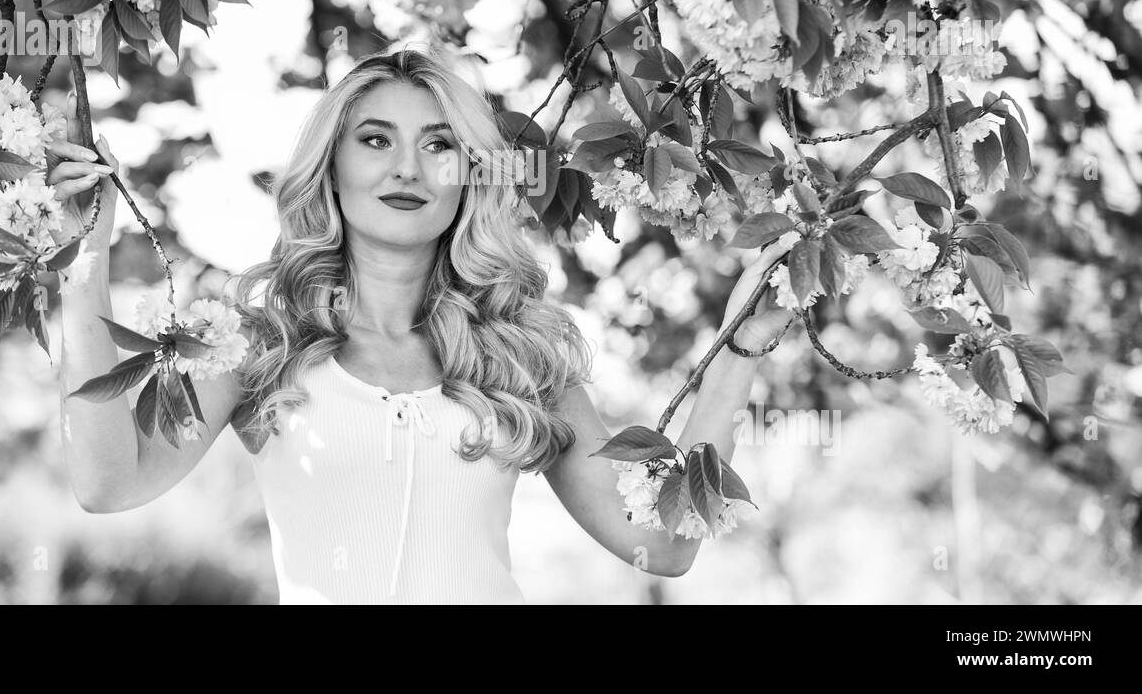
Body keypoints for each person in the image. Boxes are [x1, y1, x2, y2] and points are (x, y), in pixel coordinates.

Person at [49, 48, 792, 604]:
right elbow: (108, 483)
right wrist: (84, 268)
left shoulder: (519, 353)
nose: (407, 168)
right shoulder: (262, 344)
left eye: (438, 145)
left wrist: (738, 352)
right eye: (375, 140)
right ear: (330, 167)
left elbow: (659, 547)